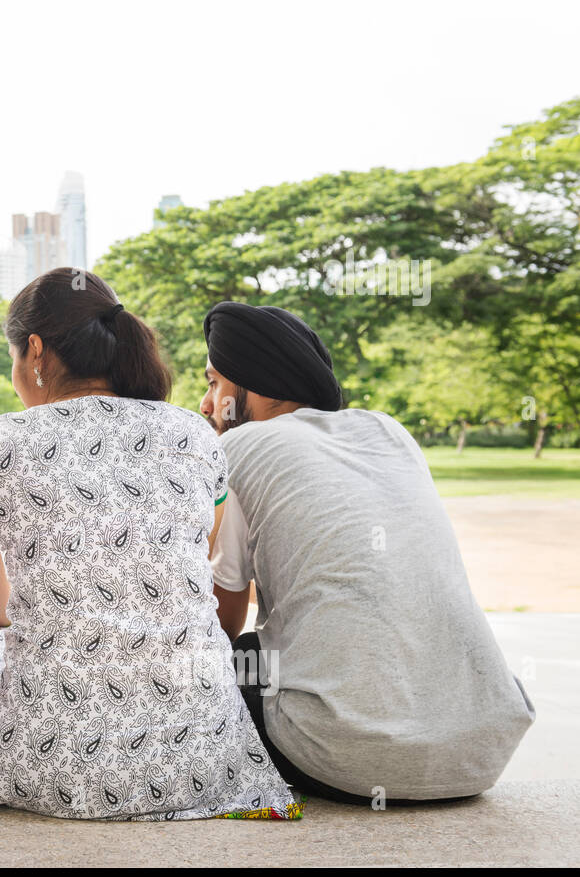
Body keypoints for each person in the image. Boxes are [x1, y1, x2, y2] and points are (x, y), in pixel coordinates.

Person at [0, 269, 299, 821]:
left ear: (34, 351)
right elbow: (186, 563)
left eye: (13, 356)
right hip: (200, 759)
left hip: (52, 767)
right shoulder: (193, 435)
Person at [200, 301, 536, 805]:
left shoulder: (240, 448)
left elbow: (220, 624)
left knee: (220, 662)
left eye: (213, 383)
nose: (208, 405)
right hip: (480, 754)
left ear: (254, 381)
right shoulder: (388, 432)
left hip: (342, 756)